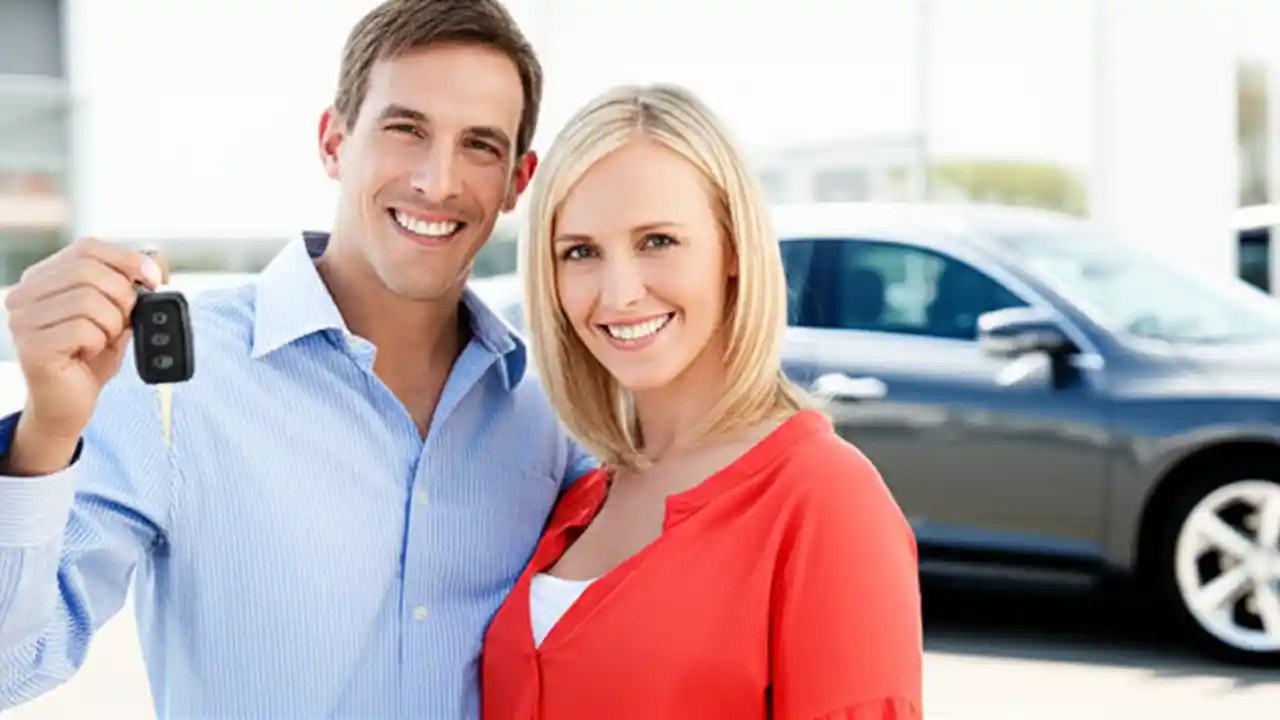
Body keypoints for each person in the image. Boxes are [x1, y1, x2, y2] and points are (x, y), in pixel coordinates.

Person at [0, 1, 592, 717]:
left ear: (516, 183)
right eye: (406, 129)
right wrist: (46, 433)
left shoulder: (553, 404)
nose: (438, 182)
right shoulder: (176, 385)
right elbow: (12, 666)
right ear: (334, 142)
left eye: (479, 146)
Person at [480, 84, 924, 719]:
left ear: (733, 249)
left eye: (657, 240)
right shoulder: (582, 494)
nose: (620, 291)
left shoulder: (825, 500)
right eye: (580, 251)